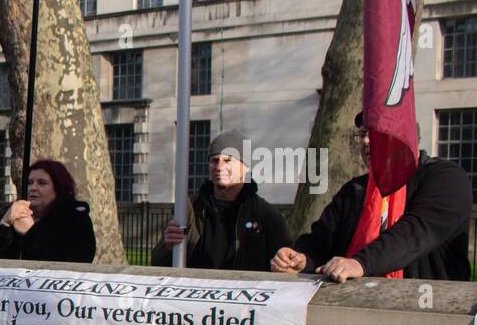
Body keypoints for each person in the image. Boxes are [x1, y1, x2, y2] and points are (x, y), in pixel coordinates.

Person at [271, 113, 472, 282]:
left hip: (429, 312)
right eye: (363, 134)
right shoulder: (355, 189)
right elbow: (322, 239)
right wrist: (301, 258)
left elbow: (415, 233)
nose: (366, 141)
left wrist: (360, 263)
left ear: (405, 136)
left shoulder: (446, 178)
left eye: (375, 132)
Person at [152, 129, 291, 271]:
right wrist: (167, 246)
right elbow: (157, 264)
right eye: (214, 160)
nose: (219, 167)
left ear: (245, 167)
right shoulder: (188, 209)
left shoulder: (267, 215)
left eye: (228, 160)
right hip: (197, 290)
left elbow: (284, 270)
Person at [0, 158, 96, 263]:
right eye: (29, 183)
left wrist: (31, 232)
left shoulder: (74, 218)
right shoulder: (9, 213)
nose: (33, 188)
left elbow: (78, 260)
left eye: (42, 183)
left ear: (58, 188)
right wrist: (3, 225)